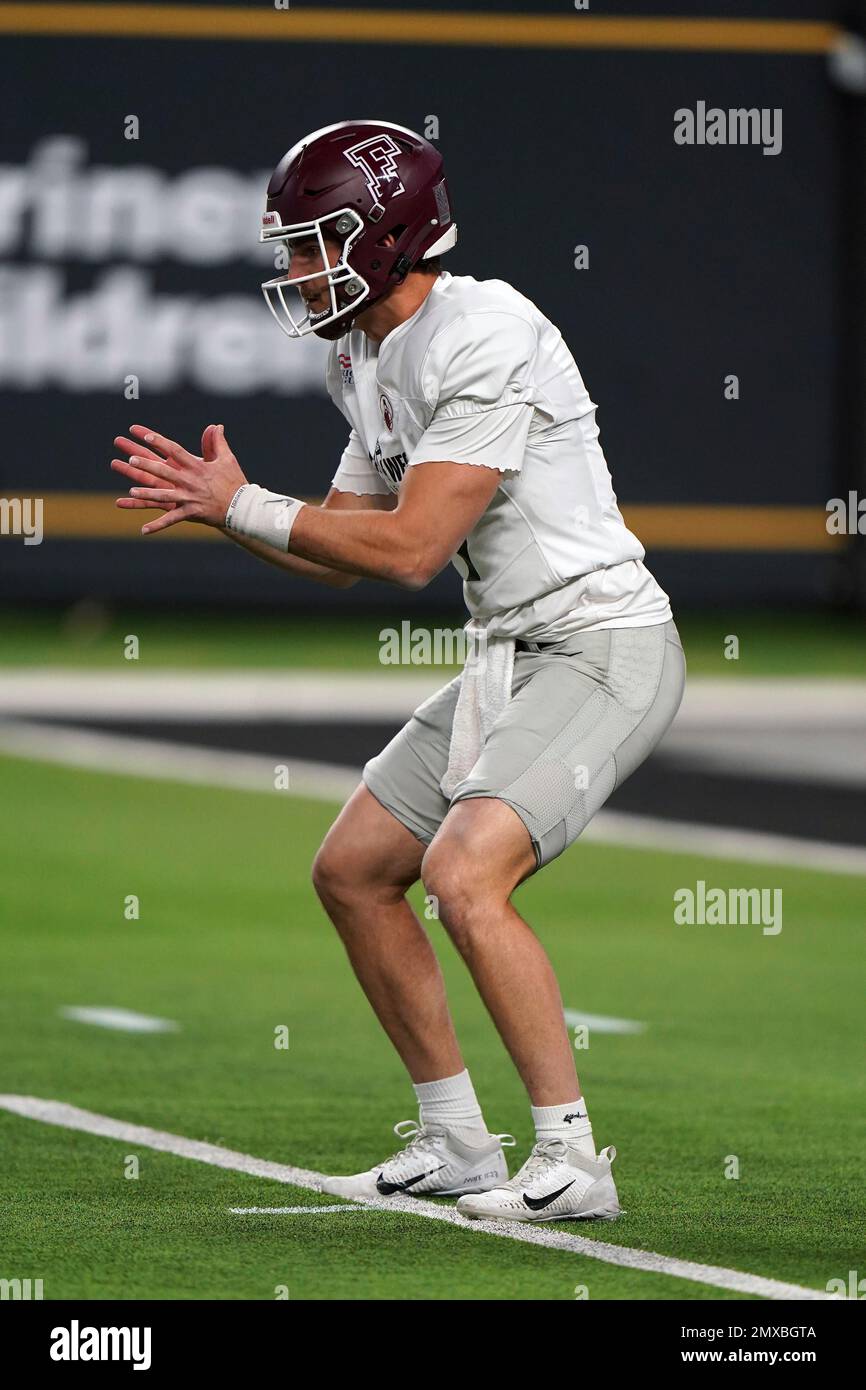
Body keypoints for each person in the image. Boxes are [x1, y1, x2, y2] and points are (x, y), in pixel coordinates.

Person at [111, 120, 685, 1223]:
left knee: (465, 875)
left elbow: (414, 549)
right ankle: (455, 1141)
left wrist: (244, 505)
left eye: (313, 243)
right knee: (355, 868)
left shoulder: (487, 328)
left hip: (600, 642)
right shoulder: (360, 354)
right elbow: (341, 550)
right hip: (509, 653)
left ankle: (571, 1159)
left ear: (385, 234)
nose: (295, 270)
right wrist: (222, 510)